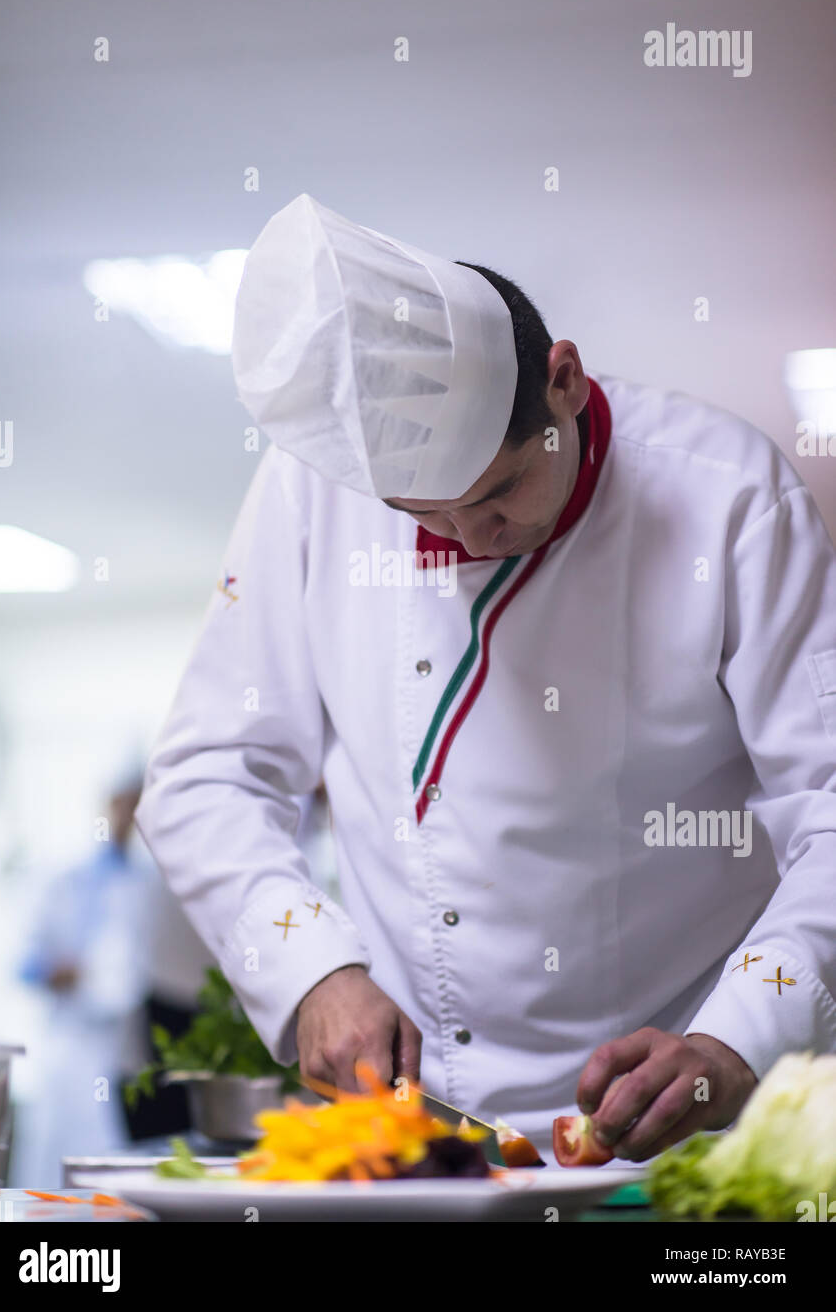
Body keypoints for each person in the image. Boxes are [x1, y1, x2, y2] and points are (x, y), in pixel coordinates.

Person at [135, 192, 836, 1160]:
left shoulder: (730, 499)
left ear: (563, 381)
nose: (472, 539)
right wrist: (311, 974)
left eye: (500, 492)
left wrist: (737, 1036)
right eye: (429, 515)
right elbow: (206, 773)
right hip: (425, 1135)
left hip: (683, 1116)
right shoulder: (311, 496)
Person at [15, 776, 151, 1185]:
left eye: (139, 807)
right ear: (108, 806)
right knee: (55, 1152)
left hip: (123, 1044)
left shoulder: (150, 884)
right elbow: (24, 964)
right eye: (124, 805)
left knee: (112, 1153)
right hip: (69, 1040)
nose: (130, 817)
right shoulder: (65, 879)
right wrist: (60, 972)